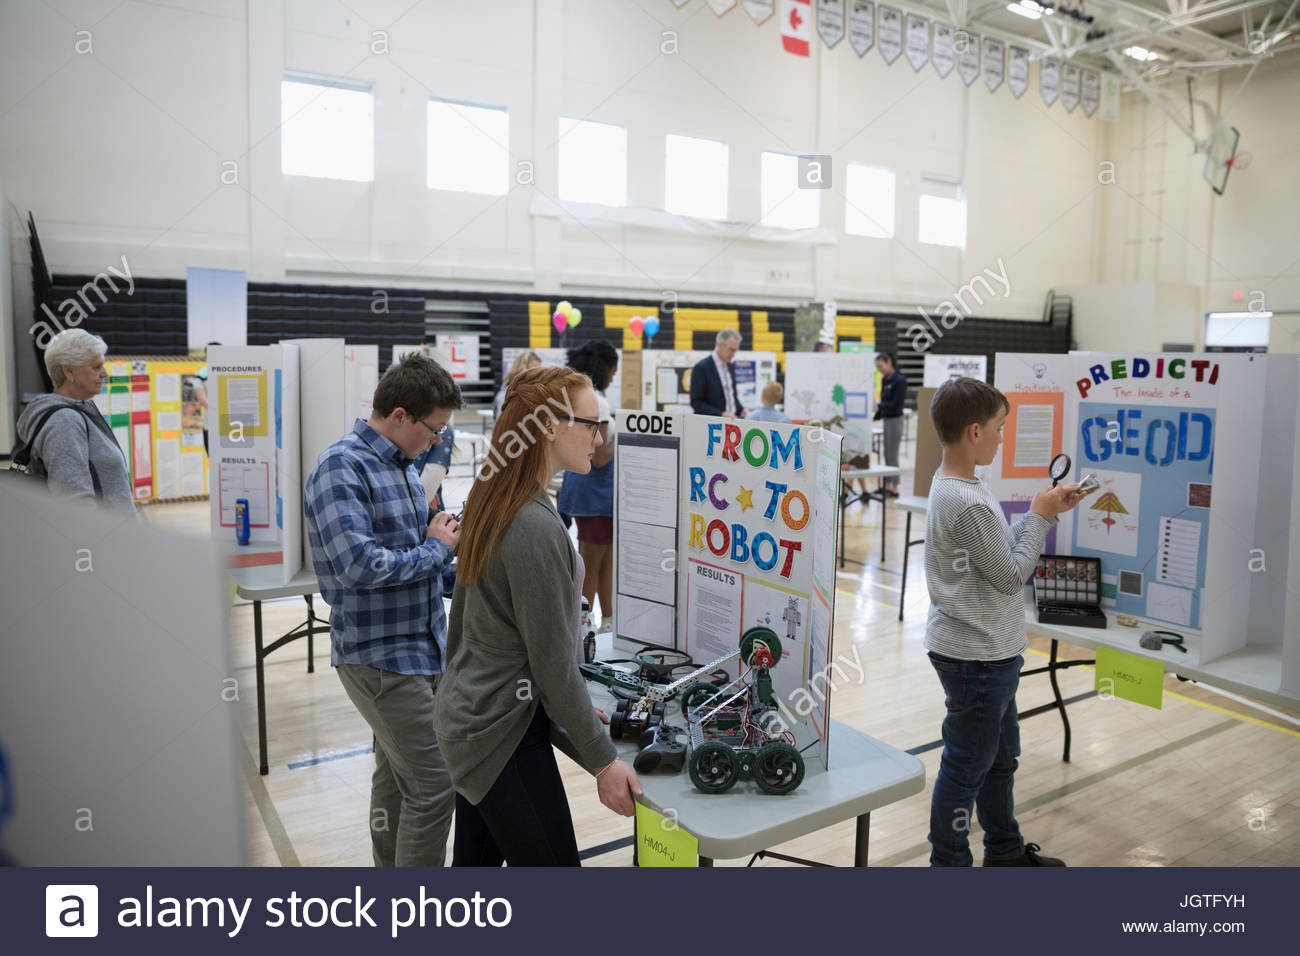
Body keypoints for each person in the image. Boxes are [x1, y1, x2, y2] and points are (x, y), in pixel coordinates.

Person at [434, 365, 643, 866]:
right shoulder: (531, 523)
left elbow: (471, 624)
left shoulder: (496, 494)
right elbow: (551, 662)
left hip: (473, 715)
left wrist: (557, 705)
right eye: (591, 424)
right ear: (550, 425)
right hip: (497, 730)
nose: (599, 436)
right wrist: (603, 761)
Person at [923, 377, 1093, 868]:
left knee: (998, 761)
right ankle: (949, 865)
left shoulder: (959, 486)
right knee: (966, 769)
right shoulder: (968, 499)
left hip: (985, 652)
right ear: (975, 431)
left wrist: (1042, 512)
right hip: (977, 658)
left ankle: (1004, 851)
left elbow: (993, 557)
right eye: (999, 427)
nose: (1002, 437)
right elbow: (1010, 576)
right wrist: (1038, 518)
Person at [303, 353, 463, 867]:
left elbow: (416, 562)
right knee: (436, 786)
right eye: (434, 428)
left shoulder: (402, 468)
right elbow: (358, 565)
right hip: (380, 659)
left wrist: (464, 567)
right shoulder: (341, 465)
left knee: (398, 782)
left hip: (421, 652)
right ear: (399, 416)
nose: (438, 440)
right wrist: (438, 548)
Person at [15, 329, 133, 511]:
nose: (105, 374)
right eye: (96, 367)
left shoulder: (74, 413)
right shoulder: (64, 421)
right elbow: (74, 500)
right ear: (69, 371)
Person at [557, 341, 619, 635]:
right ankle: (585, 626)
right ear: (606, 368)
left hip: (587, 491)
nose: (616, 375)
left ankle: (606, 620)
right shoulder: (599, 402)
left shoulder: (579, 396)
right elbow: (602, 457)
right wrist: (626, 436)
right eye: (614, 369)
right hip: (597, 492)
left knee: (603, 558)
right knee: (593, 561)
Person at [689, 329, 745, 418]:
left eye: (735, 351)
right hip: (710, 425)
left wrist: (742, 410)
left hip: (731, 425)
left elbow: (731, 398)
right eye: (731, 350)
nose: (734, 354)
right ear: (719, 345)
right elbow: (696, 403)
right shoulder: (701, 368)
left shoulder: (730, 366)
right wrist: (721, 414)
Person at [873, 351, 907, 496]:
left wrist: (880, 406)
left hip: (895, 421)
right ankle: (887, 486)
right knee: (887, 454)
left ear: (889, 362)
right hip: (887, 420)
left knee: (892, 455)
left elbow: (896, 404)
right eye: (878, 368)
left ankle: (895, 488)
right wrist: (876, 414)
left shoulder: (900, 380)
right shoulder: (885, 380)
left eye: (881, 366)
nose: (880, 370)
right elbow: (883, 403)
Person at [492, 350, 542, 419]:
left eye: (540, 371)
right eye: (533, 371)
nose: (538, 375)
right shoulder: (506, 395)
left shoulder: (537, 394)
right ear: (521, 371)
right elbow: (502, 427)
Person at [192, 341, 220, 454]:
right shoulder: (201, 375)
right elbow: (203, 400)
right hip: (211, 425)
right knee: (214, 460)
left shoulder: (231, 371)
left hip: (232, 425)